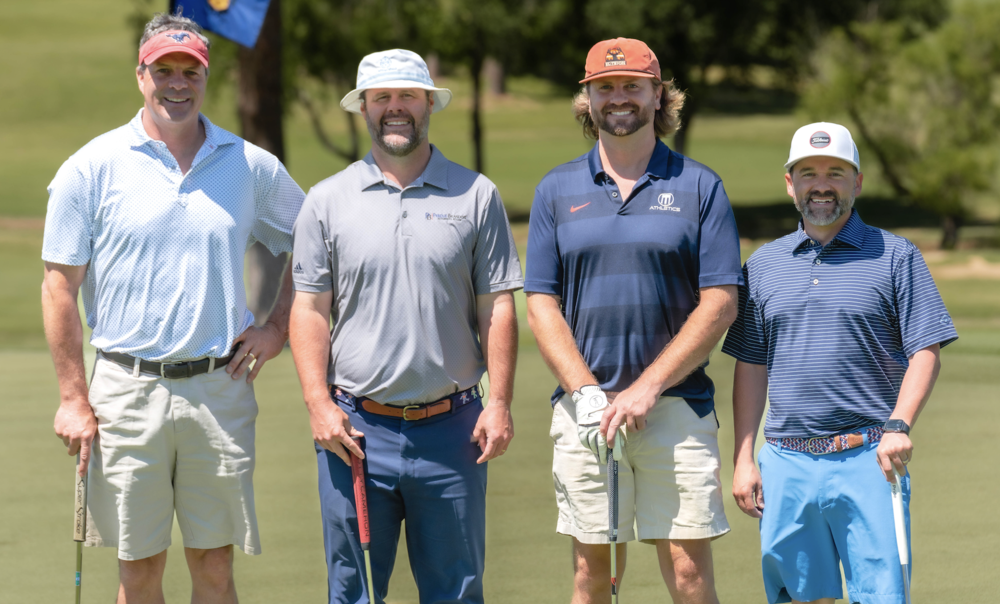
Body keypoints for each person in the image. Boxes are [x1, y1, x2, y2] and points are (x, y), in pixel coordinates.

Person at [42, 13, 304, 603]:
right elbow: (59, 286)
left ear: (206, 78)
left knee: (214, 565)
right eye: (164, 70)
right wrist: (71, 398)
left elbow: (313, 242)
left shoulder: (248, 164)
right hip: (126, 395)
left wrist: (277, 328)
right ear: (141, 75)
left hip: (219, 389)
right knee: (139, 570)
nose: (177, 84)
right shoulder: (91, 167)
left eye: (191, 71)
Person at [288, 49, 523, 604]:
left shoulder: (475, 194)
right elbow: (309, 311)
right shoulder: (326, 200)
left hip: (452, 430)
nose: (396, 108)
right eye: (382, 98)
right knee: (355, 593)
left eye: (407, 96)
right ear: (364, 108)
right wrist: (319, 405)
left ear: (428, 104)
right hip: (356, 433)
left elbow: (499, 307)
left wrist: (501, 403)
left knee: (456, 593)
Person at [524, 38, 743, 604]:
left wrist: (648, 386)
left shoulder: (699, 186)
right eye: (604, 88)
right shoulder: (556, 190)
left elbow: (719, 301)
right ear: (587, 100)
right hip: (586, 414)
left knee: (689, 574)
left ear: (657, 95)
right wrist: (587, 391)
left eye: (631, 87)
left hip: (676, 410)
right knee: (592, 576)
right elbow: (541, 303)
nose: (617, 98)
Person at [723, 122, 958, 604]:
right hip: (785, 460)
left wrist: (900, 424)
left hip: (868, 457)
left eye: (835, 172)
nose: (821, 184)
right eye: (808, 173)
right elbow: (751, 365)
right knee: (798, 597)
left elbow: (925, 349)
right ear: (790, 184)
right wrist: (744, 457)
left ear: (858, 181)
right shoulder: (764, 265)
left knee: (880, 597)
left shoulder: (897, 256)